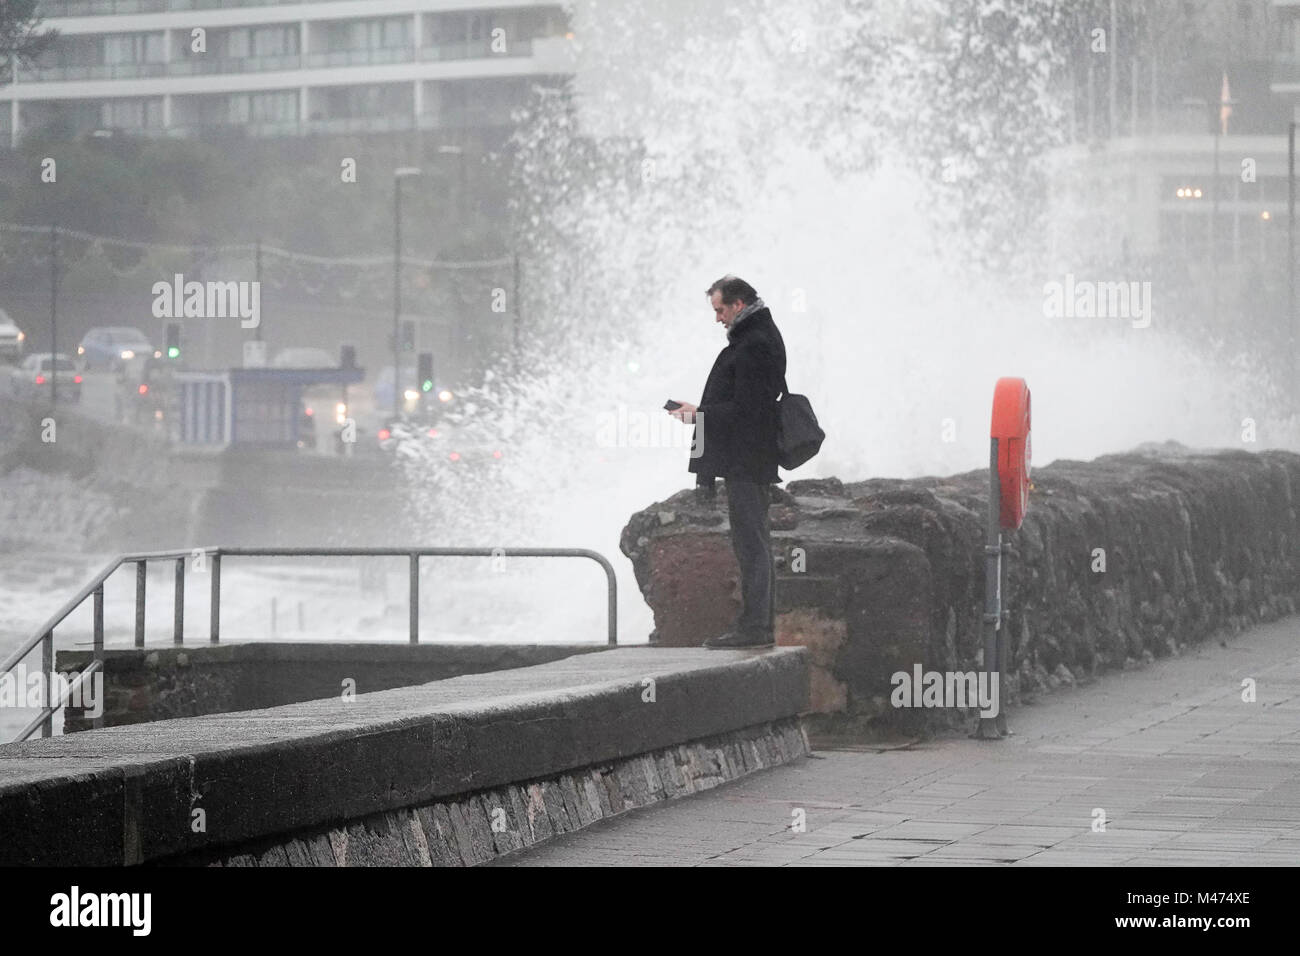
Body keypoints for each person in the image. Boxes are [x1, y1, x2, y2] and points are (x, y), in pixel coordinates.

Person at [667, 275, 786, 649]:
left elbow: (748, 410)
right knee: (755, 542)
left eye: (720, 309)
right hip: (750, 458)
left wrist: (699, 414)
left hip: (747, 460)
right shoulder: (756, 336)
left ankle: (754, 628)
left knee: (751, 544)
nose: (717, 318)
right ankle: (758, 625)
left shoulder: (754, 343)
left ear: (738, 304)